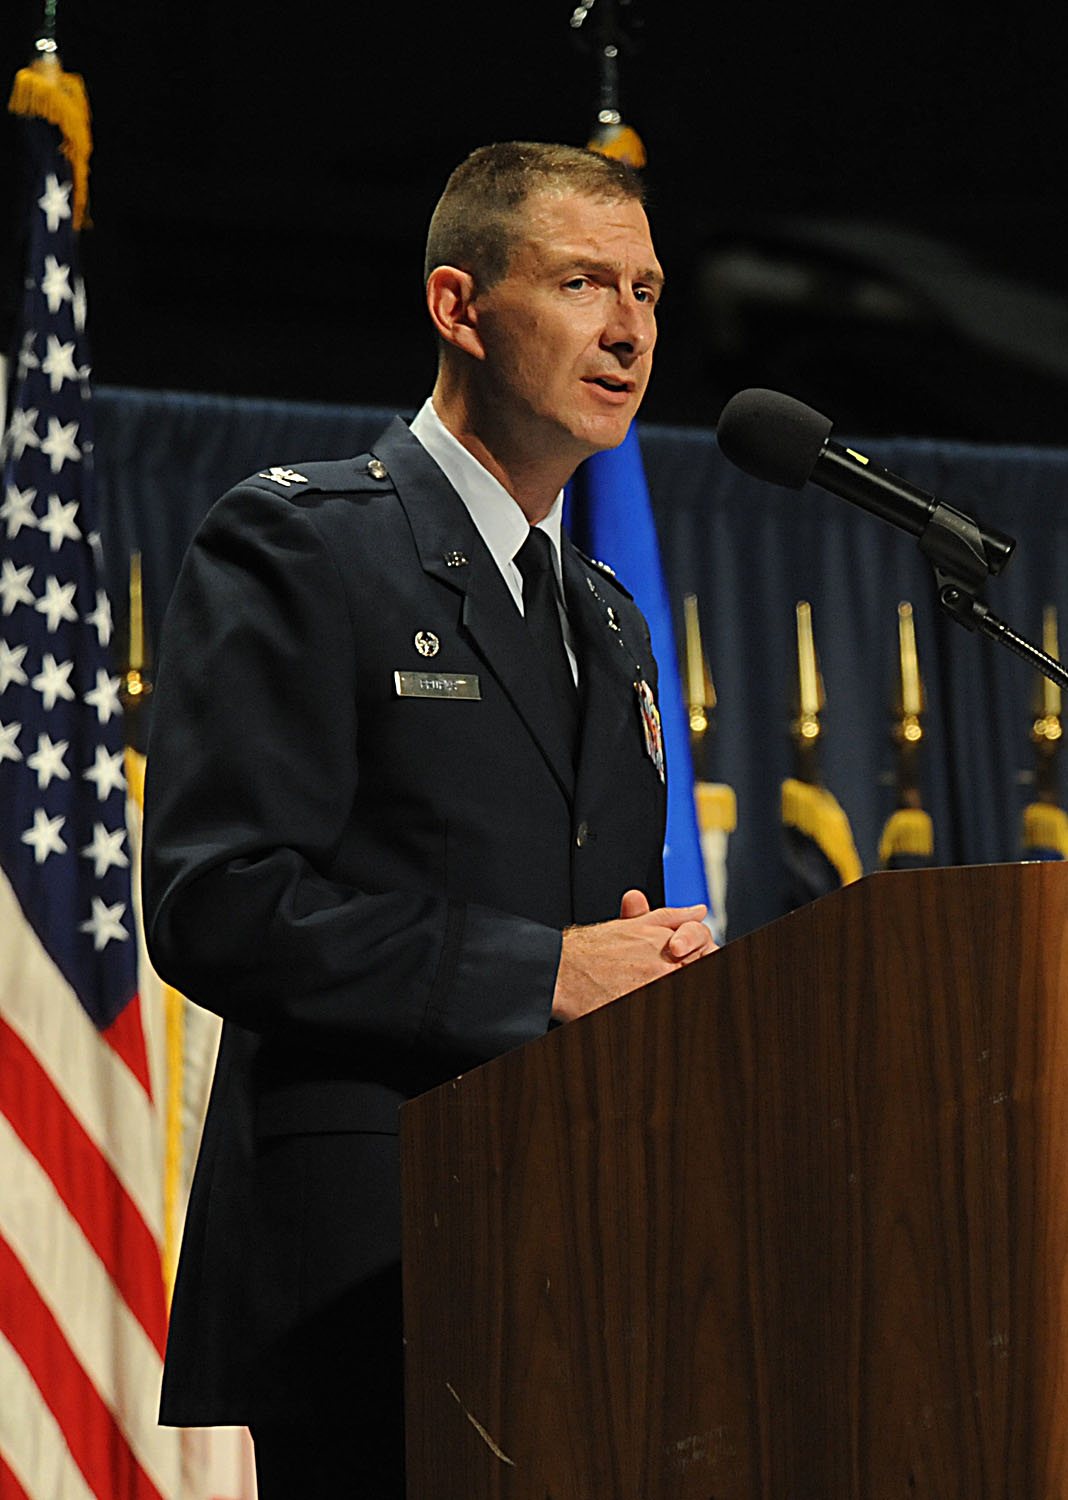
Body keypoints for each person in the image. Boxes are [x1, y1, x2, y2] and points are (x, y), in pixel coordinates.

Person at [144, 142, 716, 1499]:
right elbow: (217, 904)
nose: (629, 329)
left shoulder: (611, 624)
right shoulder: (305, 547)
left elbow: (605, 937)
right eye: (583, 282)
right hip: (372, 1266)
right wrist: (545, 974)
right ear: (459, 306)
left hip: (580, 1265)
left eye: (645, 288)